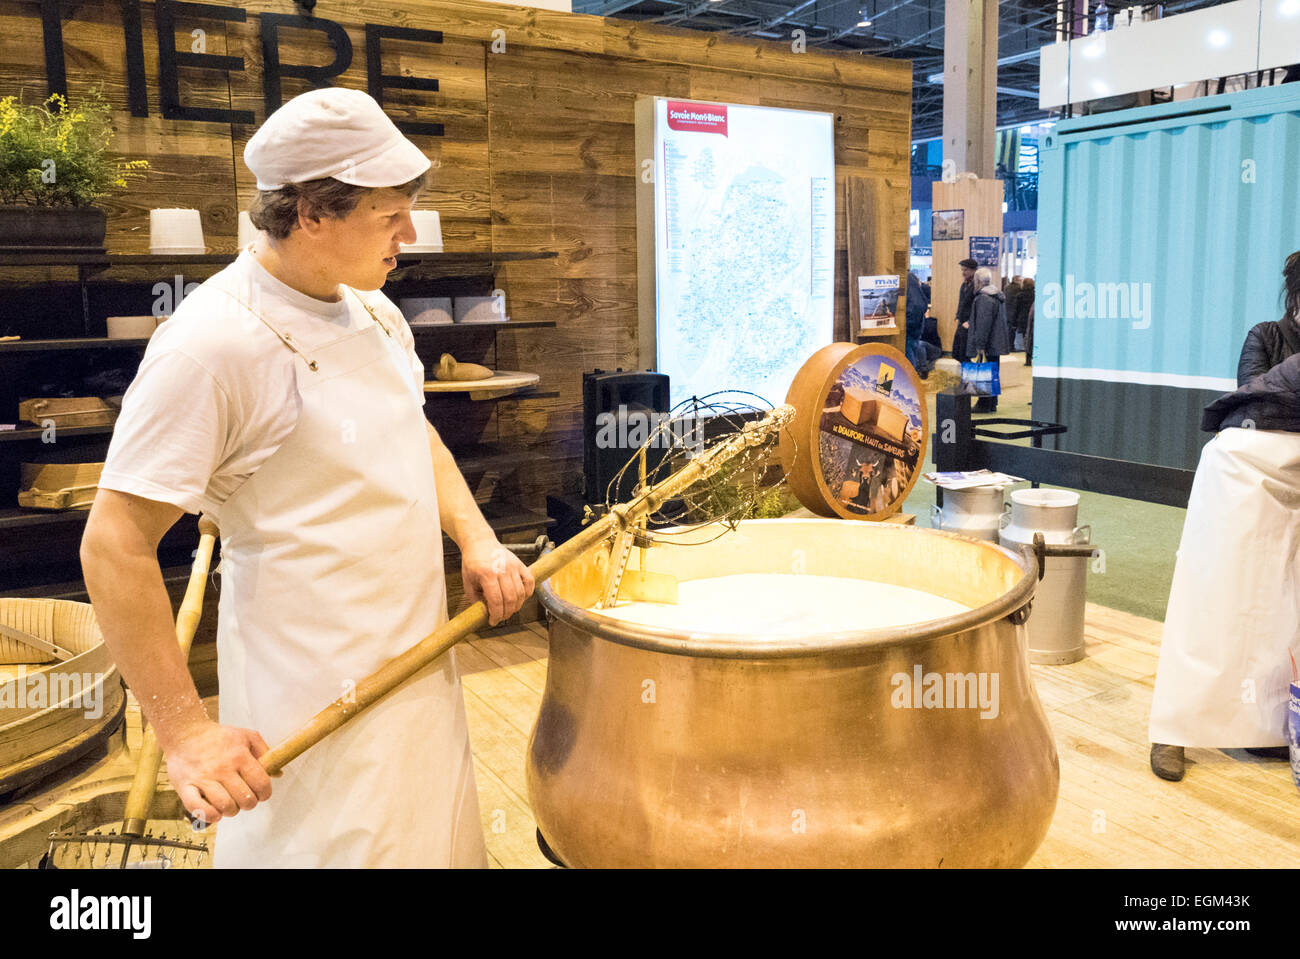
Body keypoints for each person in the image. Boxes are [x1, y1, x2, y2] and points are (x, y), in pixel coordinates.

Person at [80, 88, 535, 866]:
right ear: (312, 214)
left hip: (419, 669)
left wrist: (479, 535)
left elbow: (408, 428)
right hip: (307, 697)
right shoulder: (212, 344)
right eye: (390, 214)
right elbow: (114, 542)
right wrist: (186, 733)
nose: (411, 232)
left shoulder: (374, 311)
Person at [1148, 251, 1300, 781]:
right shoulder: (1266, 336)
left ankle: (1260, 727)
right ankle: (1174, 727)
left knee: (1286, 611)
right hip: (1245, 482)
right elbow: (1252, 405)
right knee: (1215, 600)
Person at [967, 266, 1011, 413]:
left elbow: (983, 324)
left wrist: (979, 345)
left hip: (988, 343)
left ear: (978, 281)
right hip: (996, 342)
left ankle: (984, 403)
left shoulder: (983, 298)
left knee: (985, 373)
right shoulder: (996, 296)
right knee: (993, 372)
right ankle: (992, 402)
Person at [904, 270, 938, 377]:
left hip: (908, 326)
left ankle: (910, 384)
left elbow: (916, 305)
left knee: (908, 355)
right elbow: (921, 303)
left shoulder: (905, 278)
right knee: (914, 348)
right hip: (915, 324)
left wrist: (906, 322)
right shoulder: (910, 278)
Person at [952, 258, 978, 361]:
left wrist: (970, 321)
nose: (963, 273)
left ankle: (968, 375)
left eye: (965, 270)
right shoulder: (965, 284)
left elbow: (978, 307)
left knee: (965, 353)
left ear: (974, 270)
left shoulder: (977, 286)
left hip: (969, 323)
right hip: (961, 321)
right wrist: (958, 315)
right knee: (957, 352)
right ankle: (965, 373)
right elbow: (961, 302)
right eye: (962, 270)